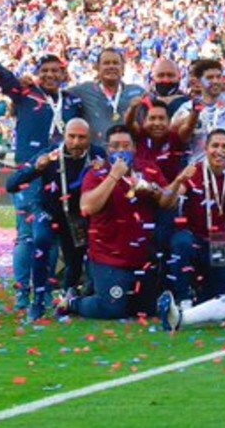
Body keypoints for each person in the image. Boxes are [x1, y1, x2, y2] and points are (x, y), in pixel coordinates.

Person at [0, 17, 83, 315]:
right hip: (29, 175)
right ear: (37, 75)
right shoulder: (24, 93)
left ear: (64, 74)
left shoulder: (72, 102)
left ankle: (46, 292)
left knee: (52, 235)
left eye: (55, 71)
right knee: (27, 236)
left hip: (60, 177)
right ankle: (21, 294)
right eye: (45, 71)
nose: (50, 75)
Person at [59, 125, 169, 320]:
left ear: (134, 148)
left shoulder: (148, 169)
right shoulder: (96, 173)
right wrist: (114, 176)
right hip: (108, 258)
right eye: (115, 146)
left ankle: (94, 288)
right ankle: (73, 301)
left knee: (146, 311)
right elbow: (87, 207)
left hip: (142, 259)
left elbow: (169, 200)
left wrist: (152, 190)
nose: (121, 151)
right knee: (112, 309)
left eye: (126, 146)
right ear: (107, 149)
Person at [5, 118, 106, 320]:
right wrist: (36, 168)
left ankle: (68, 297)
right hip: (48, 211)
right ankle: (37, 301)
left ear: (89, 139)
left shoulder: (98, 155)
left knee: (74, 262)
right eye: (72, 136)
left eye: (82, 137)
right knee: (41, 241)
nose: (76, 142)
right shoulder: (50, 154)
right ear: (64, 136)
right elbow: (11, 185)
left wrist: (104, 171)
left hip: (76, 217)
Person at [167, 129, 225, 304]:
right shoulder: (193, 172)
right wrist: (179, 180)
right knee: (181, 243)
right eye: (215, 145)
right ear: (205, 149)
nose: (220, 151)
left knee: (218, 296)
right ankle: (183, 299)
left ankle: (204, 301)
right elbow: (167, 201)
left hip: (218, 239)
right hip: (192, 235)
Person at [70, 48, 144, 148]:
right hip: (97, 154)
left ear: (123, 68)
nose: (111, 66)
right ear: (97, 68)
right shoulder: (83, 91)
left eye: (115, 63)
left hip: (128, 153)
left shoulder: (138, 92)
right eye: (106, 63)